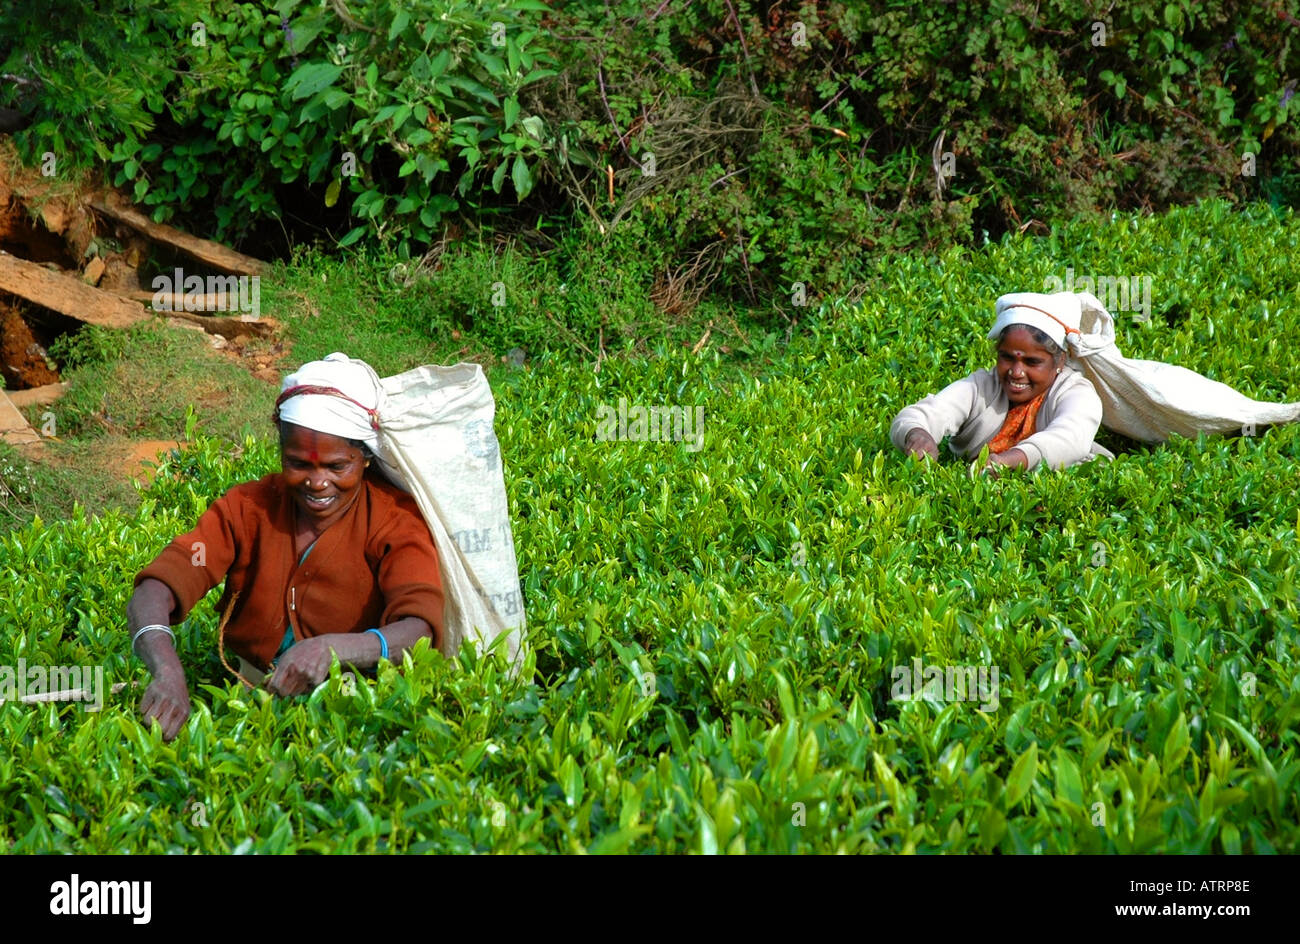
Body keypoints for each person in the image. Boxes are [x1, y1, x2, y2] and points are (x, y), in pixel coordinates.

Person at [127, 354, 445, 741]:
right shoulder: (248, 509)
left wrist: (335, 650)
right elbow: (157, 588)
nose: (317, 482)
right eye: (299, 464)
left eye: (336, 467)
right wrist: (168, 672)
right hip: (241, 701)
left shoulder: (395, 521)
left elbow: (418, 629)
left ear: (363, 459)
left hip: (349, 719)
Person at [891, 292, 1115, 471]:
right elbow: (926, 412)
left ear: (1060, 360)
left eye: (1032, 362)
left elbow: (1070, 437)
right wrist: (919, 435)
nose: (1016, 372)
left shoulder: (1076, 392)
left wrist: (1011, 461)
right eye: (1007, 358)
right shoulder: (980, 387)